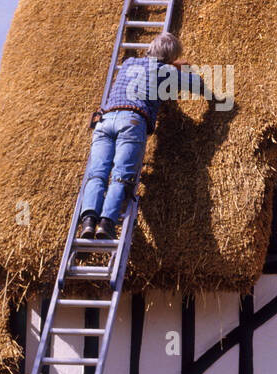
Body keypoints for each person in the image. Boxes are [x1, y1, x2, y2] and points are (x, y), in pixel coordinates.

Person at [77, 32, 202, 240]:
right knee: (121, 175)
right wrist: (178, 68)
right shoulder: (164, 71)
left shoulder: (129, 63)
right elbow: (195, 83)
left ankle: (88, 221)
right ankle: (106, 223)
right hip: (131, 121)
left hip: (105, 121)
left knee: (97, 174)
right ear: (170, 58)